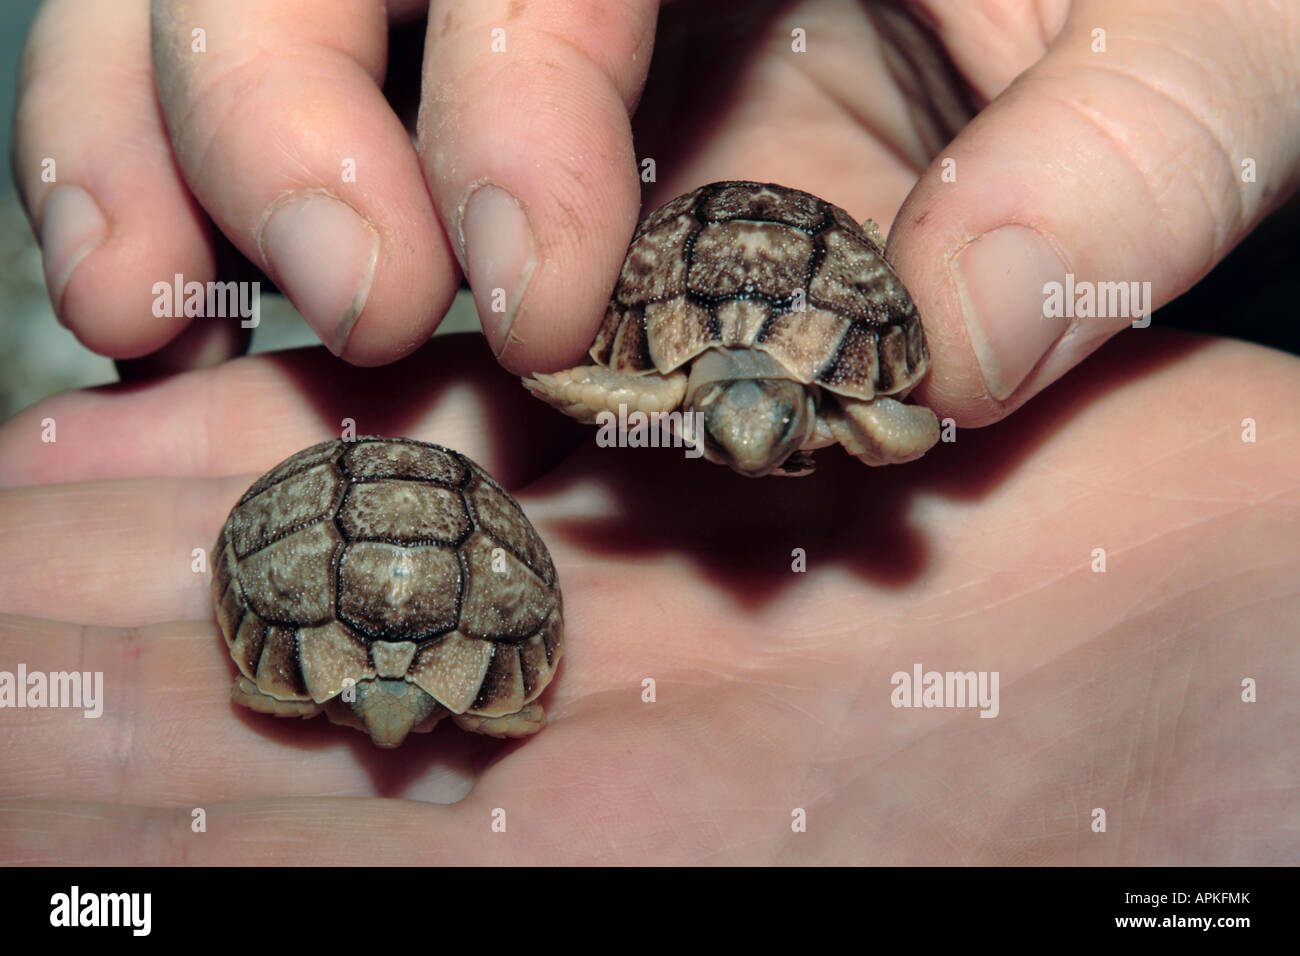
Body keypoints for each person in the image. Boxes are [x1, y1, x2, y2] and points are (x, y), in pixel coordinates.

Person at [0, 0, 1295, 864]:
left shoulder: (789, 401)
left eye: (758, 428)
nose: (739, 458)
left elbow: (843, 417)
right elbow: (599, 386)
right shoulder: (672, 399)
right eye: (727, 424)